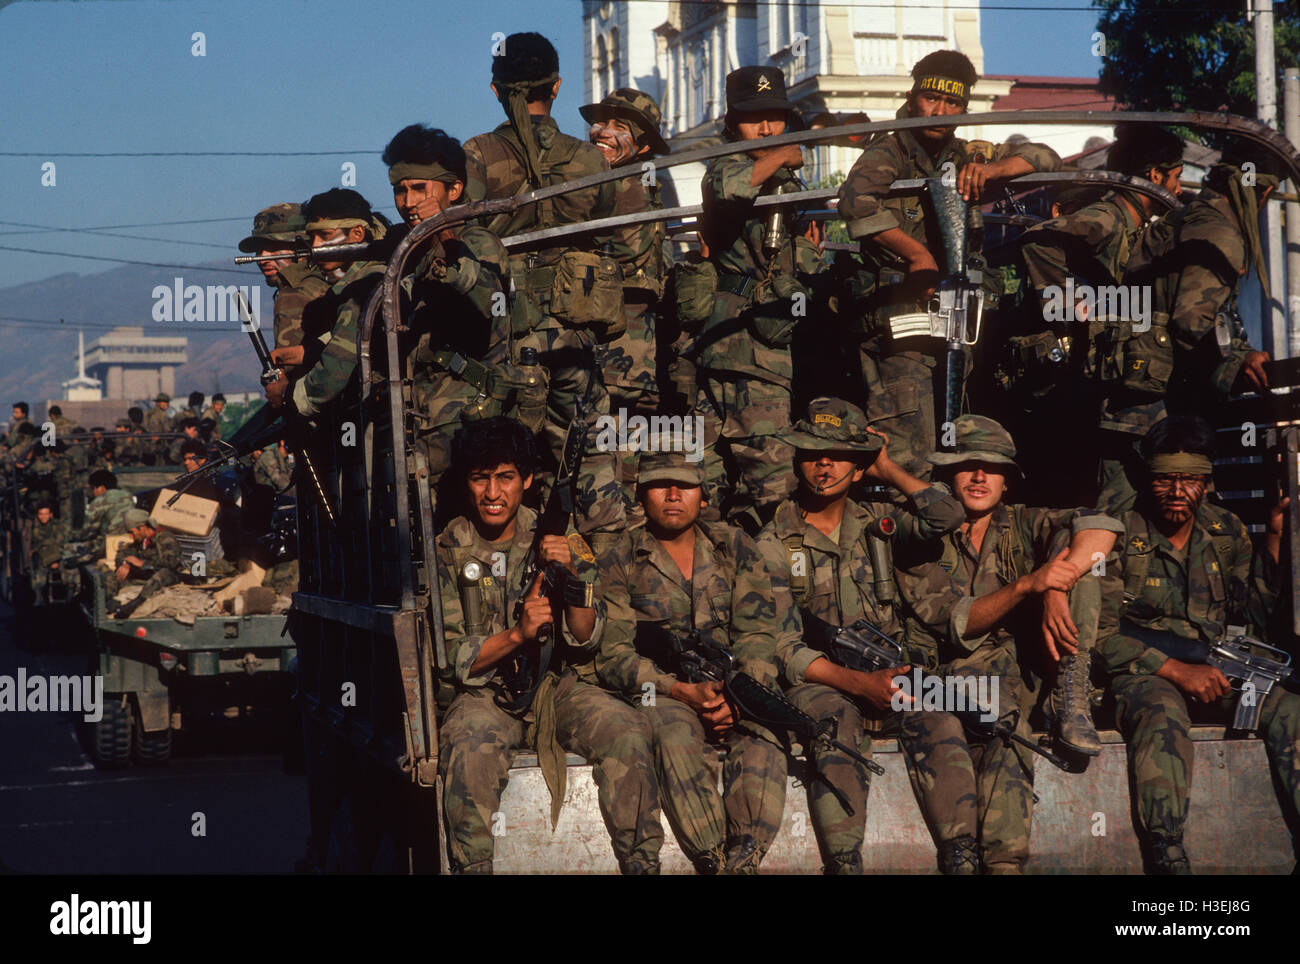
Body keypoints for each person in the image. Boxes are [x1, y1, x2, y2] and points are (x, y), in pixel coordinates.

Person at [894, 415, 1121, 873]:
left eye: (991, 467)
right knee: (1004, 727)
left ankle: (1071, 691)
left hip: (1020, 677)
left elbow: (1101, 526)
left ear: (1007, 482)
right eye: (967, 465)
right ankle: (988, 861)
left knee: (1083, 569)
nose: (979, 476)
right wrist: (1028, 586)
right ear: (945, 476)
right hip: (947, 681)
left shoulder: (1023, 523)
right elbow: (957, 622)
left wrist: (1059, 583)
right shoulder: (921, 538)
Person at [435, 417, 662, 874]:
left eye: (505, 478)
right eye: (481, 479)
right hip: (486, 694)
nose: (493, 493)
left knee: (627, 729)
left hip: (556, 687)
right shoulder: (449, 548)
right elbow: (454, 657)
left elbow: (586, 640)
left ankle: (642, 863)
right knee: (469, 746)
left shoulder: (559, 537)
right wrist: (516, 636)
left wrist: (571, 576)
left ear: (527, 480)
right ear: (467, 482)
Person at [755, 397, 966, 873]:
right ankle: (844, 860)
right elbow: (783, 648)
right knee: (836, 725)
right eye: (811, 453)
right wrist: (859, 686)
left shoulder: (879, 525)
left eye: (838, 454)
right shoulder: (771, 541)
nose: (823, 463)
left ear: (859, 464)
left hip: (889, 680)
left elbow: (947, 516)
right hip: (821, 684)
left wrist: (889, 469)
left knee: (941, 721)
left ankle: (961, 854)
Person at [836, 49, 1062, 480]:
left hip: (952, 322)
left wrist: (995, 170)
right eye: (931, 100)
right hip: (898, 322)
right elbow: (855, 202)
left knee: (954, 441)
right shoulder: (892, 148)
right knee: (908, 449)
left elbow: (1046, 157)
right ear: (913, 97)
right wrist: (916, 255)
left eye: (952, 104)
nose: (938, 112)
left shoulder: (962, 153)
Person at [1095, 416, 1297, 873]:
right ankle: (1166, 849)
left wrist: (1275, 538)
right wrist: (1174, 670)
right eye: (1166, 478)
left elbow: (1254, 618)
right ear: (1149, 480)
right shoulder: (1118, 535)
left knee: (1289, 708)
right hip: (1143, 673)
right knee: (1160, 712)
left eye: (1190, 480)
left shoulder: (1226, 533)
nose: (1177, 490)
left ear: (1206, 483)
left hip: (1218, 668)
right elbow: (1097, 634)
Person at [464, 31, 626, 556]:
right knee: (589, 460)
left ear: (495, 91)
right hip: (575, 340)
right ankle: (600, 580)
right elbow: (610, 233)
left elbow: (460, 237)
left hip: (504, 337)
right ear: (556, 87)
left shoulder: (477, 156)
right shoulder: (590, 160)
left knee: (499, 467)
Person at [596, 451, 788, 874]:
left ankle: (747, 853)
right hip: (662, 691)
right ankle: (711, 856)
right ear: (640, 496)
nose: (672, 495)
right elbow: (614, 656)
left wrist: (739, 697)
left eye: (684, 486)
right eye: (659, 486)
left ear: (703, 497)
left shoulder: (735, 546)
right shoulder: (618, 557)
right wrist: (679, 691)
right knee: (673, 732)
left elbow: (757, 636)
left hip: (729, 686)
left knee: (764, 730)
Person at [999, 124, 1186, 507]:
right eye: (1177, 177)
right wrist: (1073, 309)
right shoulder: (1109, 216)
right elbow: (1040, 240)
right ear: (1154, 176)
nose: (1179, 189)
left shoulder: (1135, 224)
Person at [1097, 141, 1278, 514]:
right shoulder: (1218, 230)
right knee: (1167, 525)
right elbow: (1192, 321)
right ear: (1265, 193)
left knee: (1117, 524)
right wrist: (1239, 360)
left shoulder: (1183, 218)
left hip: (1129, 405)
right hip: (1162, 416)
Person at [692, 65, 826, 532]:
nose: (766, 128)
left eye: (775, 117)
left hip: (764, 349)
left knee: (727, 488)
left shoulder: (787, 183)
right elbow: (727, 190)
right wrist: (783, 155)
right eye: (754, 119)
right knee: (770, 485)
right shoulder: (731, 164)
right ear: (734, 124)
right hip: (743, 350)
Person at [382, 123, 514, 491]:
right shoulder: (404, 250)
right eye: (399, 190)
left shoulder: (477, 243)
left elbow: (492, 303)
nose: (408, 203)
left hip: (468, 428)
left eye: (420, 189)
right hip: (415, 425)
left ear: (454, 189)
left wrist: (445, 236)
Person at [580, 88, 671, 418]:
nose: (603, 132)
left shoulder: (625, 185)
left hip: (618, 352)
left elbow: (628, 252)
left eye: (619, 126)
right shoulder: (629, 182)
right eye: (601, 122)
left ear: (643, 146)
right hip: (625, 354)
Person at [268, 189, 388, 419]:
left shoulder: (363, 286)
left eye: (324, 235)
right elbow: (345, 337)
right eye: (312, 238)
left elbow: (336, 371)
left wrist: (287, 396)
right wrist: (302, 353)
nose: (315, 247)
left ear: (357, 233)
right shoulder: (368, 276)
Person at [238, 203, 332, 369]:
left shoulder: (294, 294)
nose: (263, 258)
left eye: (273, 247)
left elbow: (288, 371)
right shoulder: (324, 281)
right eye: (259, 250)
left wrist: (278, 388)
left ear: (301, 248)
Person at [105, 508, 182, 619]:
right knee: (111, 577)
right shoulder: (143, 540)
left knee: (162, 574)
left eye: (132, 532)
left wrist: (143, 564)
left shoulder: (165, 538)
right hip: (148, 575)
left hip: (167, 576)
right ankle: (110, 604)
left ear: (142, 527)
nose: (131, 536)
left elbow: (171, 563)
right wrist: (125, 564)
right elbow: (123, 553)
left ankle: (135, 604)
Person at [77, 469, 134, 541]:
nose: (93, 492)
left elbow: (89, 529)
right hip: (130, 537)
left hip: (111, 541)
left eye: (93, 488)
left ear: (102, 488)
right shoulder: (128, 496)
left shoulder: (99, 501)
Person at [29, 502, 69, 602]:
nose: (43, 517)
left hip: (57, 555)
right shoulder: (35, 528)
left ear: (51, 514)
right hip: (43, 557)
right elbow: (37, 546)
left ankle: (69, 596)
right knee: (37, 579)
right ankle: (39, 597)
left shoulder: (57, 526)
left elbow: (59, 543)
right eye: (40, 514)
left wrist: (53, 560)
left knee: (68, 576)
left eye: (46, 514)